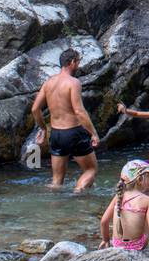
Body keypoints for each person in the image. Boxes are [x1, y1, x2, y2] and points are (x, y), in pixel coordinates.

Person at [31, 48, 99, 192]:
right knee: (90, 170)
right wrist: (93, 133)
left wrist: (43, 128)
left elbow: (35, 109)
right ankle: (77, 193)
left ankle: (54, 208)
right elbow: (79, 111)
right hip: (74, 133)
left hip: (56, 134)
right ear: (72, 62)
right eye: (78, 61)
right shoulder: (73, 83)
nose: (79, 65)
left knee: (56, 180)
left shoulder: (48, 83)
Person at [99, 159, 149, 251]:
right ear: (140, 179)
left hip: (117, 244)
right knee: (147, 219)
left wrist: (105, 240)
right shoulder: (148, 200)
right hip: (138, 245)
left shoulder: (118, 196)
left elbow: (103, 221)